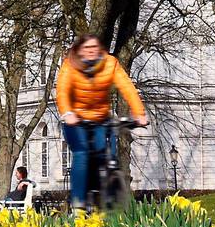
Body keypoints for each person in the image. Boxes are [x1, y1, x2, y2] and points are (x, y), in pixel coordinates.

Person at [55, 34, 148, 211]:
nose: (91, 51)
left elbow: (127, 86)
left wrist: (139, 113)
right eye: (87, 48)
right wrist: (67, 113)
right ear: (80, 50)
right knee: (82, 152)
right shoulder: (70, 65)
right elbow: (62, 91)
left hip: (99, 118)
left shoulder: (110, 63)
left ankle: (107, 197)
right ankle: (78, 203)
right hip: (75, 119)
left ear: (100, 50)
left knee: (103, 154)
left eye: (94, 48)